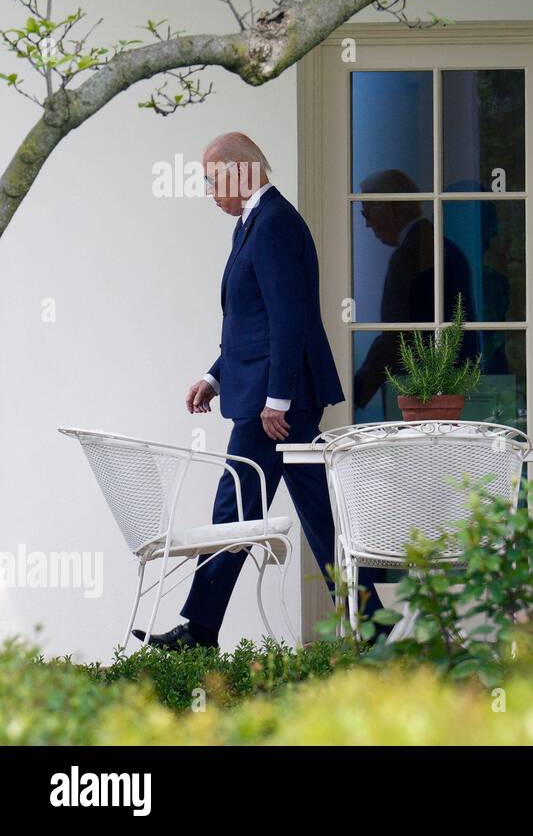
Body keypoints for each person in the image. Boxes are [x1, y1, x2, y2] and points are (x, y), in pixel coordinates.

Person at [134, 132, 384, 649]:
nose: (207, 190)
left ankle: (200, 631)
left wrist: (277, 399)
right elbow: (251, 322)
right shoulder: (253, 224)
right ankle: (374, 628)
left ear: (239, 171)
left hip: (273, 406)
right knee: (312, 515)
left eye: (210, 178)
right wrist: (215, 375)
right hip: (265, 396)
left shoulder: (273, 224)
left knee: (234, 512)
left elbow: (289, 320)